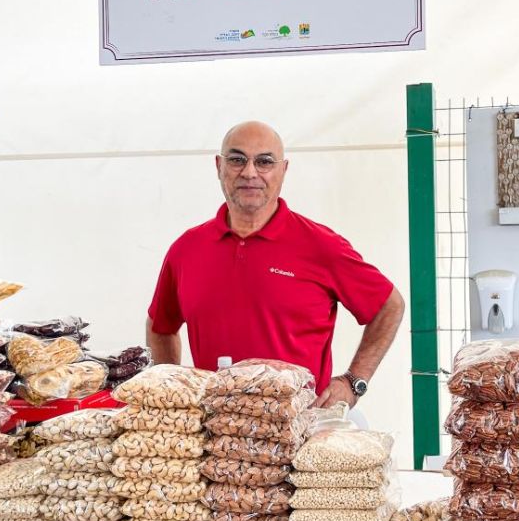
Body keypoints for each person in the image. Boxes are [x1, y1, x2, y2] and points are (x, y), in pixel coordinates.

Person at [146, 121, 405, 408]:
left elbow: (388, 305)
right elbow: (161, 325)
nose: (249, 172)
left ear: (283, 170)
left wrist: (354, 382)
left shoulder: (320, 245)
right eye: (236, 160)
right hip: (217, 433)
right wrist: (171, 395)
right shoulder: (187, 249)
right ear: (219, 166)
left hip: (299, 430)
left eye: (264, 162)